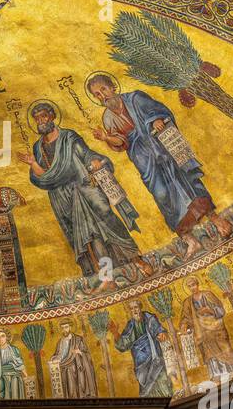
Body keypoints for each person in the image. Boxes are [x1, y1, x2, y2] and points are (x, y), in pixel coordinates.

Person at [88, 74, 230, 255]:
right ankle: (188, 239)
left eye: (103, 90)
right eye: (97, 95)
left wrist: (156, 119)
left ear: (113, 86)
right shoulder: (108, 118)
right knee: (161, 194)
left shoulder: (135, 98)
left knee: (186, 181)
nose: (102, 96)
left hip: (161, 147)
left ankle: (216, 219)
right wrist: (106, 137)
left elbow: (160, 111)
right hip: (143, 160)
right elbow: (121, 143)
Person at [18, 101, 144, 285]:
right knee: (89, 236)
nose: (40, 121)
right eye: (36, 119)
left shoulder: (68, 137)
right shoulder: (38, 148)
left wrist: (95, 161)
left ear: (52, 117)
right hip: (63, 197)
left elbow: (86, 155)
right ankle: (106, 275)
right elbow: (44, 176)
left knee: (107, 217)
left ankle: (136, 259)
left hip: (85, 187)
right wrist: (33, 164)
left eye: (44, 116)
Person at [113, 299, 174, 397]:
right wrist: (115, 333)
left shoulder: (150, 318)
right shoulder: (130, 325)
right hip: (140, 362)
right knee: (146, 384)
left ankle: (168, 398)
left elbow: (158, 329)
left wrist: (161, 333)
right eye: (132, 309)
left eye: (136, 307)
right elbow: (123, 345)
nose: (134, 310)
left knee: (161, 378)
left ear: (140, 307)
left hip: (155, 358)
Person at [179, 277, 233, 379]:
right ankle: (216, 374)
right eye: (190, 286)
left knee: (225, 348)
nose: (192, 288)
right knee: (209, 354)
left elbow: (221, 310)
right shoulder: (187, 302)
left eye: (194, 285)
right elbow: (185, 318)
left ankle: (232, 370)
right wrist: (184, 325)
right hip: (202, 331)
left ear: (197, 284)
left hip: (217, 328)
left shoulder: (208, 294)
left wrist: (210, 311)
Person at [51, 319, 98, 398]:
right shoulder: (60, 342)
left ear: (70, 327)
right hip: (63, 368)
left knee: (74, 388)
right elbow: (58, 354)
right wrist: (54, 358)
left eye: (66, 327)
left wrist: (79, 352)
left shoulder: (78, 339)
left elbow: (86, 353)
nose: (64, 330)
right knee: (68, 389)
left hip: (75, 367)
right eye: (62, 328)